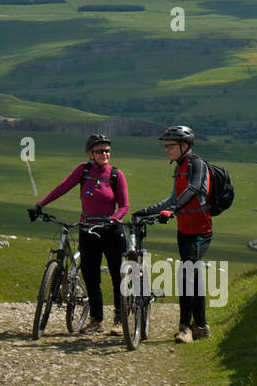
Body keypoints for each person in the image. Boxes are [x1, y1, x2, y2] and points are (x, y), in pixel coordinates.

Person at [28, 134, 130, 333]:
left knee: (118, 275)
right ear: (90, 154)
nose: (105, 154)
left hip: (111, 230)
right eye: (100, 150)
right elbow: (63, 187)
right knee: (91, 276)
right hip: (87, 229)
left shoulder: (116, 175)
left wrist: (113, 218)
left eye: (107, 150)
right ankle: (96, 319)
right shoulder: (83, 170)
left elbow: (125, 206)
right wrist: (40, 205)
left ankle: (119, 319)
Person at [133, 125, 212, 343]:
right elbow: (173, 198)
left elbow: (194, 188)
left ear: (184, 146)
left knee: (187, 274)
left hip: (199, 231)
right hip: (184, 230)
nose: (166, 150)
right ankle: (202, 326)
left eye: (170, 146)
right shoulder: (179, 168)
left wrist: (174, 209)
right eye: (166, 146)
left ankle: (186, 328)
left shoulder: (197, 165)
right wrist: (148, 211)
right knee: (191, 275)